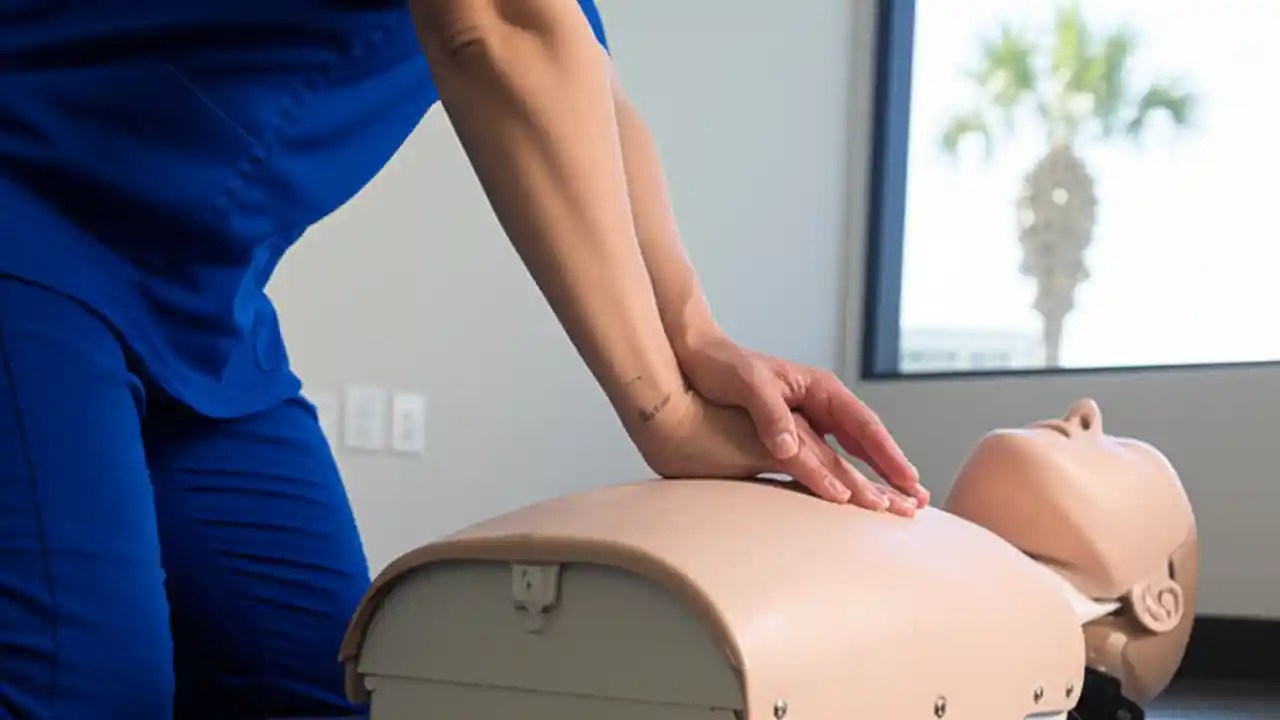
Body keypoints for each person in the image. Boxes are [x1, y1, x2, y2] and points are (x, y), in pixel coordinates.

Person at [0, 1, 926, 717]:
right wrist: (661, 409)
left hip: (201, 305)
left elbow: (584, 78)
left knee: (319, 688)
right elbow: (492, 25)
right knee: (85, 689)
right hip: (30, 217)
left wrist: (697, 340)